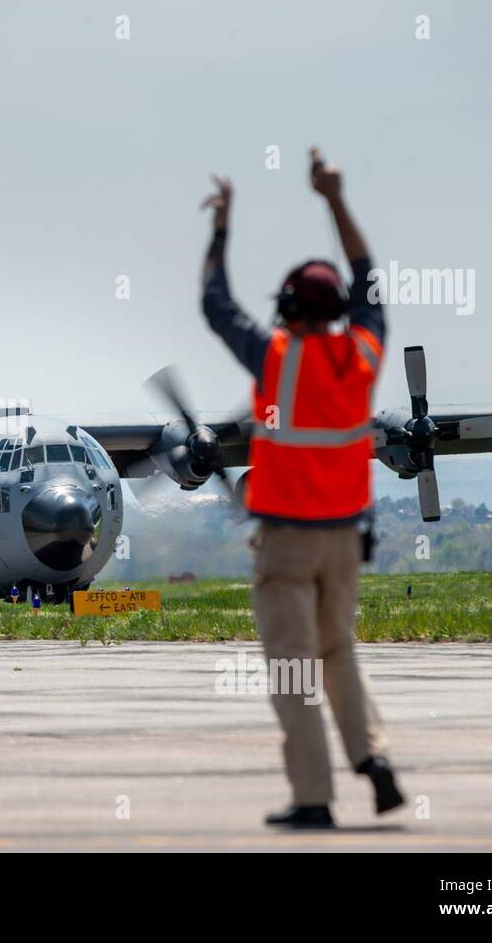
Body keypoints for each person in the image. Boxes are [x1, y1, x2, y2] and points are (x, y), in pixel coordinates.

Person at [200, 147, 405, 829]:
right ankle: (372, 758)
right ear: (341, 310)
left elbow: (215, 303)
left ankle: (315, 797)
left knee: (293, 670)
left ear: (286, 307)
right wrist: (334, 197)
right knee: (337, 649)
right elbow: (370, 281)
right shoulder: (364, 355)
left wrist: (223, 227)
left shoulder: (273, 358)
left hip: (286, 541)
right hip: (346, 539)